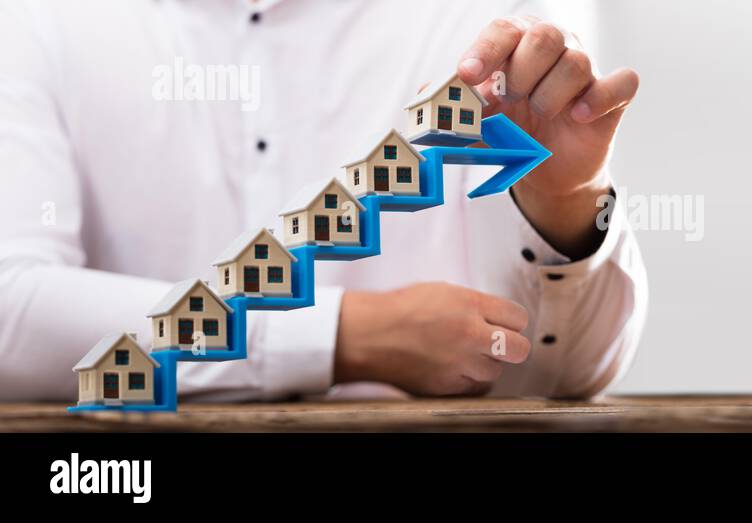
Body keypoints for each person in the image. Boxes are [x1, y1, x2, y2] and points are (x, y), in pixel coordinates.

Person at [0, 0, 646, 401]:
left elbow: (553, 377)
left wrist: (565, 200)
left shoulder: (499, 22)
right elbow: (12, 318)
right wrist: (349, 334)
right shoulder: (37, 18)